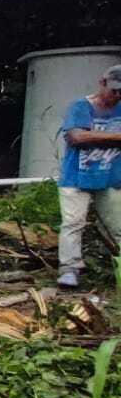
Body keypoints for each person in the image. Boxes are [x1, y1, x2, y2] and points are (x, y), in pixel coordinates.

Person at [55, 67, 121, 288]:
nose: (118, 96)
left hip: (111, 176)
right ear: (102, 83)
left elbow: (85, 135)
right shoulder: (80, 107)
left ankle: (117, 268)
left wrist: (95, 136)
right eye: (115, 90)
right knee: (73, 223)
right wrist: (116, 137)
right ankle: (69, 268)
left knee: (118, 226)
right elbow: (76, 137)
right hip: (76, 176)